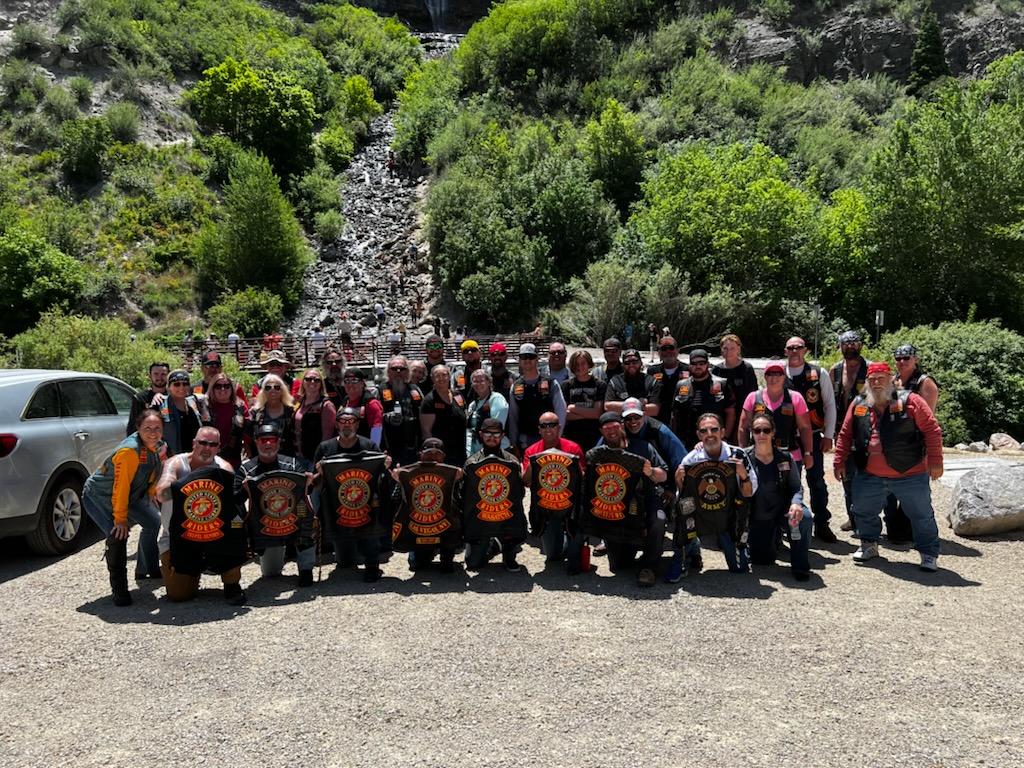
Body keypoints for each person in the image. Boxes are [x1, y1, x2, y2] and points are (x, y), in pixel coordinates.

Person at [833, 362, 944, 572]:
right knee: (863, 511)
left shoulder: (911, 400)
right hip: (869, 474)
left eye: (881, 378)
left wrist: (936, 461)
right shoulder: (859, 404)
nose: (876, 383)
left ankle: (928, 553)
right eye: (872, 379)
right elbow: (846, 434)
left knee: (921, 515)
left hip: (910, 473)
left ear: (891, 379)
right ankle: (869, 544)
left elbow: (932, 430)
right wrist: (839, 461)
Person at [83, 410, 166, 606]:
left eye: (157, 429)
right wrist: (120, 519)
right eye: (147, 428)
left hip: (131, 495)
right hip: (99, 496)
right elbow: (120, 487)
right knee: (118, 534)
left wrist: (152, 490)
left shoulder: (158, 445)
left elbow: (155, 468)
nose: (153, 433)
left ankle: (147, 569)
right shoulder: (129, 452)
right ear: (138, 429)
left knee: (153, 521)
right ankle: (119, 590)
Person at [156, 427, 246, 603]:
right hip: (178, 538)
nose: (207, 448)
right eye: (203, 443)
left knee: (235, 533)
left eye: (212, 445)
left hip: (214, 536)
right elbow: (161, 492)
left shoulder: (224, 468)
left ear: (218, 447)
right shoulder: (175, 463)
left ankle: (231, 583)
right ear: (194, 443)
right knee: (178, 595)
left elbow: (234, 505)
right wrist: (188, 482)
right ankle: (192, 573)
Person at [588, 411, 668, 586]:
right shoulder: (597, 455)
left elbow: (664, 475)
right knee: (618, 565)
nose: (612, 431)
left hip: (646, 498)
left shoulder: (644, 447)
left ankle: (649, 565)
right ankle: (634, 548)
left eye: (615, 426)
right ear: (601, 431)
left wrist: (651, 472)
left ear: (622, 426)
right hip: (616, 507)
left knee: (659, 519)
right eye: (607, 428)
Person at [672, 412, 756, 578]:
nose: (709, 434)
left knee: (740, 568)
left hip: (728, 515)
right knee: (683, 514)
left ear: (722, 432)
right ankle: (681, 559)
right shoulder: (690, 459)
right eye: (704, 431)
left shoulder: (738, 455)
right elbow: (682, 499)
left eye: (714, 429)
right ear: (698, 435)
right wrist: (678, 481)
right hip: (700, 513)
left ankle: (739, 549)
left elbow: (749, 493)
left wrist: (743, 475)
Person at [236, 424, 316, 587]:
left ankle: (306, 569)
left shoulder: (293, 464)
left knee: (307, 521)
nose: (267, 444)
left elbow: (308, 490)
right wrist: (245, 489)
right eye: (262, 440)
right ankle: (278, 554)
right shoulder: (246, 469)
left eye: (271, 439)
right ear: (256, 442)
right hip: (266, 525)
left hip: (292, 520)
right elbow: (235, 498)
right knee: (270, 573)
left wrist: (309, 481)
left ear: (278, 442)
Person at [311, 408, 386, 583]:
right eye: (343, 422)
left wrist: (385, 466)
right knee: (345, 562)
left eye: (351, 421)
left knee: (372, 517)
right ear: (336, 424)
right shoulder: (324, 448)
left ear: (357, 425)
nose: (347, 425)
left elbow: (379, 479)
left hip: (365, 505)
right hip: (337, 507)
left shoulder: (369, 446)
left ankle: (372, 564)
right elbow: (316, 486)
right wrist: (320, 474)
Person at [784, 336, 838, 543]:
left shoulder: (818, 373)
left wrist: (829, 435)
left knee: (816, 482)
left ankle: (822, 523)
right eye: (791, 348)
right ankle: (786, 523)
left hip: (814, 437)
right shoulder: (779, 374)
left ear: (805, 350)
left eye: (798, 347)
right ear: (785, 351)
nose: (795, 351)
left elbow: (830, 405)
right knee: (787, 483)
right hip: (787, 439)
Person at [746, 413, 811, 582]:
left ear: (773, 433)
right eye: (757, 430)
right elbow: (719, 450)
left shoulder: (785, 458)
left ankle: (800, 566)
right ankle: (772, 540)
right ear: (751, 433)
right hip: (758, 516)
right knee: (762, 561)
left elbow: (796, 487)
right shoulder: (743, 458)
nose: (761, 435)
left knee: (805, 517)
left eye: (766, 430)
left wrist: (796, 504)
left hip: (782, 512)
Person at [886, 343, 940, 543]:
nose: (901, 362)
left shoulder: (925, 383)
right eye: (898, 358)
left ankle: (915, 533)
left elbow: (927, 419)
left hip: (915, 444)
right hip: (894, 444)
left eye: (906, 358)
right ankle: (896, 529)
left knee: (913, 492)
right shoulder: (893, 380)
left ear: (915, 359)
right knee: (890, 489)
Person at [463, 418, 528, 572]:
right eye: (487, 434)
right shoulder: (471, 463)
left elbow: (520, 494)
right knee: (472, 564)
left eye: (496, 434)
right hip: (481, 520)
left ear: (502, 436)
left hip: (505, 518)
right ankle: (492, 545)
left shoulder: (512, 461)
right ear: (480, 435)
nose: (492, 438)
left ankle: (509, 552)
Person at [522, 412, 585, 563]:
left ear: (559, 427)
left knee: (574, 558)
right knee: (552, 556)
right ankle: (563, 540)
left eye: (552, 425)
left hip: (570, 505)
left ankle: (575, 540)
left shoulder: (573, 448)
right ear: (539, 429)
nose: (548, 429)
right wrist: (533, 463)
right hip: (546, 507)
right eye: (544, 426)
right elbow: (526, 483)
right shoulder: (531, 451)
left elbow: (583, 480)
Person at [738, 359, 815, 478]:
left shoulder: (795, 398)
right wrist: (743, 453)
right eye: (770, 374)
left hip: (790, 455)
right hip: (759, 456)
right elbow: (743, 428)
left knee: (789, 491)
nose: (774, 378)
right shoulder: (753, 398)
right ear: (765, 376)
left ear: (784, 376)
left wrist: (808, 453)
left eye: (778, 374)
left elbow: (805, 427)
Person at [831, 331, 872, 530]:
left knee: (871, 477)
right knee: (846, 477)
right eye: (845, 344)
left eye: (853, 343)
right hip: (842, 432)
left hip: (867, 431)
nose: (849, 347)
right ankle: (853, 518)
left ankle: (870, 520)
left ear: (861, 345)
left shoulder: (871, 368)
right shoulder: (835, 370)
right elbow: (829, 403)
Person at [507, 342, 567, 454]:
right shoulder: (515, 387)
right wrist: (513, 444)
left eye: (531, 357)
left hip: (549, 441)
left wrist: (557, 439)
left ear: (537, 359)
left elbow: (561, 412)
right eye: (524, 357)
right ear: (519, 360)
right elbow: (513, 418)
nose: (527, 360)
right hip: (525, 442)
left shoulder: (551, 383)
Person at [671, 349, 735, 450]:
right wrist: (675, 440)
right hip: (687, 441)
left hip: (714, 438)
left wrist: (725, 437)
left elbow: (730, 412)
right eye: (694, 363)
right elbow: (675, 415)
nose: (698, 366)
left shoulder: (721, 384)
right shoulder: (681, 385)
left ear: (708, 364)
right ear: (689, 365)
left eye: (701, 363)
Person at [379, 355, 424, 467]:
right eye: (394, 369)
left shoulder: (415, 390)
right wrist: (385, 417)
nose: (398, 372)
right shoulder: (379, 391)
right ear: (388, 372)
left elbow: (424, 414)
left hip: (412, 448)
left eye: (402, 369)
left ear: (407, 372)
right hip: (389, 448)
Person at [712, 334, 758, 443]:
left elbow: (753, 395)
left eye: (732, 348)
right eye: (725, 348)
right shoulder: (717, 370)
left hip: (742, 414)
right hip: (722, 415)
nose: (729, 352)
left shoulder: (746, 369)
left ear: (738, 348)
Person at [420, 363, 468, 466]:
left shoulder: (458, 395)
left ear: (449, 376)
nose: (441, 378)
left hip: (460, 451)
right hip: (441, 455)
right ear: (432, 379)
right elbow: (426, 431)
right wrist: (434, 454)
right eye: (437, 376)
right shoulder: (429, 401)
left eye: (444, 375)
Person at [561, 349, 606, 453]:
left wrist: (573, 408)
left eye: (583, 363)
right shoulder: (565, 386)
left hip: (593, 435)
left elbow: (597, 413)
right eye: (576, 364)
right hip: (571, 435)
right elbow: (565, 415)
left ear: (589, 364)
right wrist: (588, 412)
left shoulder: (600, 385)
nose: (579, 367)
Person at [159, 369, 212, 456]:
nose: (181, 387)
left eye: (185, 384)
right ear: (169, 386)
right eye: (176, 384)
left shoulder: (196, 402)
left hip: (195, 456)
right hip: (171, 458)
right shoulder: (159, 405)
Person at [294, 368, 337, 467]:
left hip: (314, 459)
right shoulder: (299, 402)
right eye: (308, 379)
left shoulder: (326, 405)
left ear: (321, 383)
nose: (312, 382)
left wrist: (320, 458)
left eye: (316, 380)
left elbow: (328, 436)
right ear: (303, 382)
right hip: (297, 457)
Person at [248, 373, 297, 458]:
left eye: (277, 387)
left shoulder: (291, 411)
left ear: (282, 391)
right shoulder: (256, 412)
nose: (272, 390)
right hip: (261, 457)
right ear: (263, 392)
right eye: (268, 388)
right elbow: (249, 437)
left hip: (287, 457)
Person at [207, 371, 249, 468]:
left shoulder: (240, 407)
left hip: (233, 458)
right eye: (218, 386)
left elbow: (248, 431)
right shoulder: (204, 406)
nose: (222, 389)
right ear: (212, 388)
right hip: (208, 458)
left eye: (226, 386)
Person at [606, 348, 661, 416]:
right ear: (623, 365)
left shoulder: (652, 382)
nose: (631, 365)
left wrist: (621, 406)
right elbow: (607, 407)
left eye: (634, 361)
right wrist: (639, 403)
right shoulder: (614, 382)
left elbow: (654, 410)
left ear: (641, 363)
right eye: (627, 363)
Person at [646, 336, 688, 422]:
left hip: (683, 417)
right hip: (658, 418)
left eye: (671, 348)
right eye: (664, 349)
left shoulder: (688, 369)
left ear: (678, 351)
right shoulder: (652, 371)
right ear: (659, 352)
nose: (668, 351)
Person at [341, 367, 384, 446]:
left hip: (366, 450)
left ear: (362, 383)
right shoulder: (345, 401)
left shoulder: (371, 403)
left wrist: (373, 450)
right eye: (347, 381)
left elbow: (376, 429)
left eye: (354, 380)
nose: (350, 384)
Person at [127, 361, 170, 435]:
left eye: (163, 374)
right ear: (150, 376)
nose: (159, 377)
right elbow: (133, 427)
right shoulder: (140, 398)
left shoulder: (173, 397)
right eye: (156, 374)